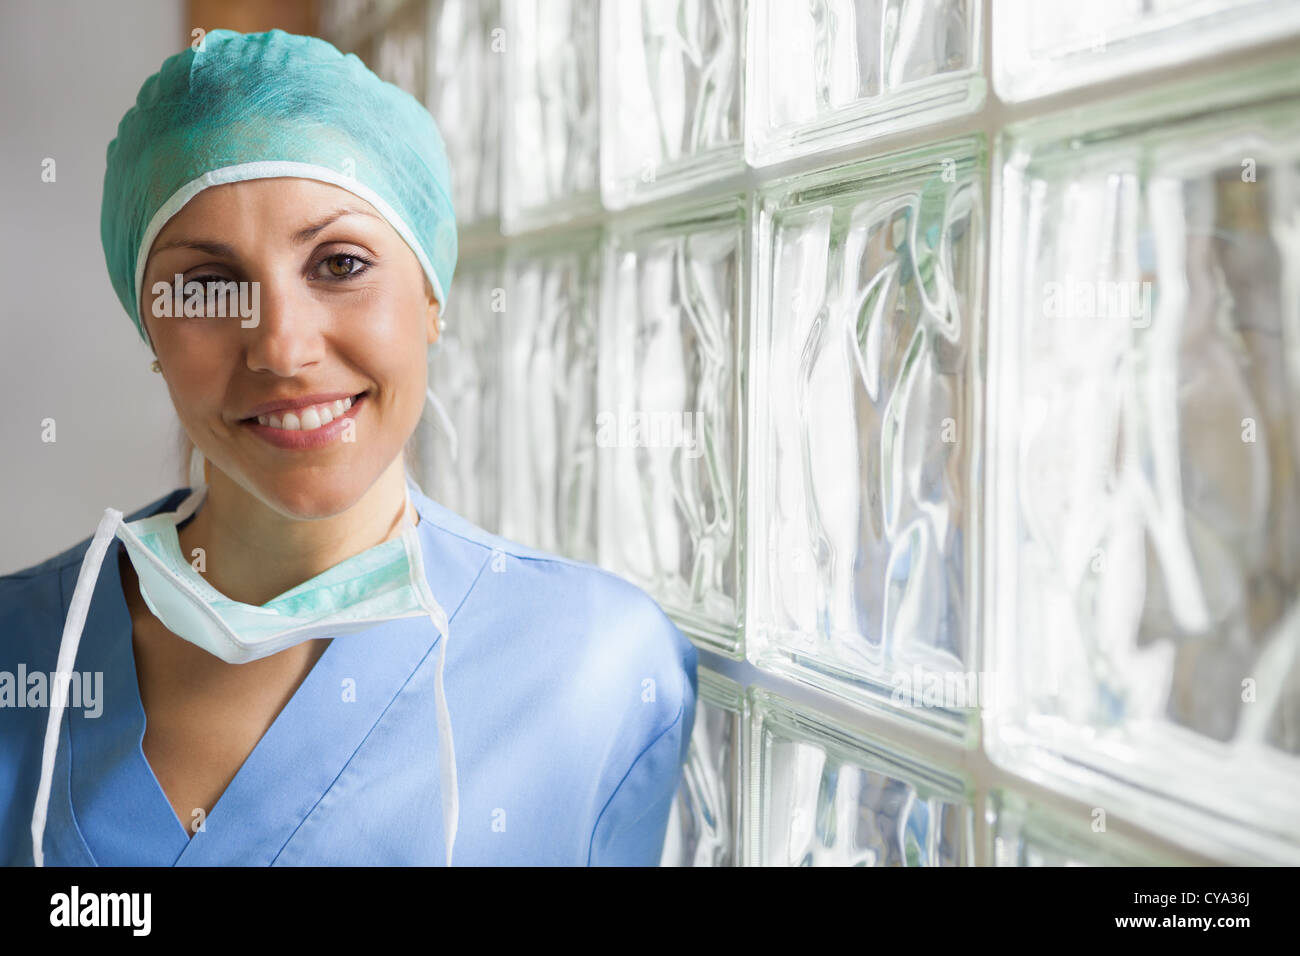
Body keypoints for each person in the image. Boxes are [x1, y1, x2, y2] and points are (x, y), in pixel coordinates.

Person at [0, 28, 697, 866]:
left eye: (339, 264)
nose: (282, 350)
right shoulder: (23, 653)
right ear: (149, 328)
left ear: (433, 294)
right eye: (208, 285)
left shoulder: (600, 668)